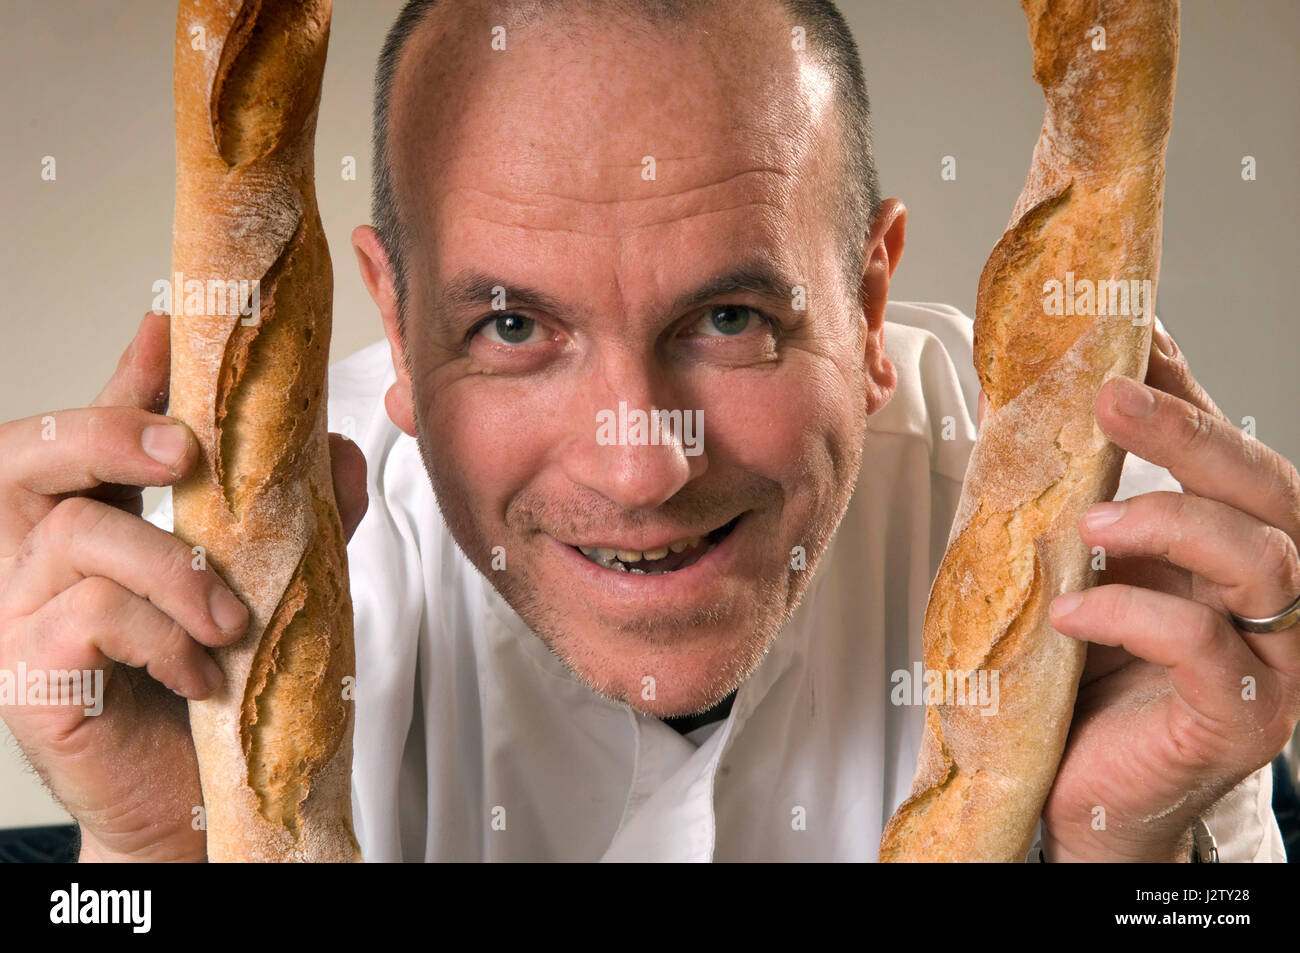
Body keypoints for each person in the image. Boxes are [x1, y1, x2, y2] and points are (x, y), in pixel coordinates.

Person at [1, 0, 1294, 862]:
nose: (639, 463)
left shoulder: (1094, 560)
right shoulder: (216, 607)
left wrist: (1131, 846)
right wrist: (157, 848)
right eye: (513, 327)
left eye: (730, 315)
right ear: (395, 331)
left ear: (867, 300)